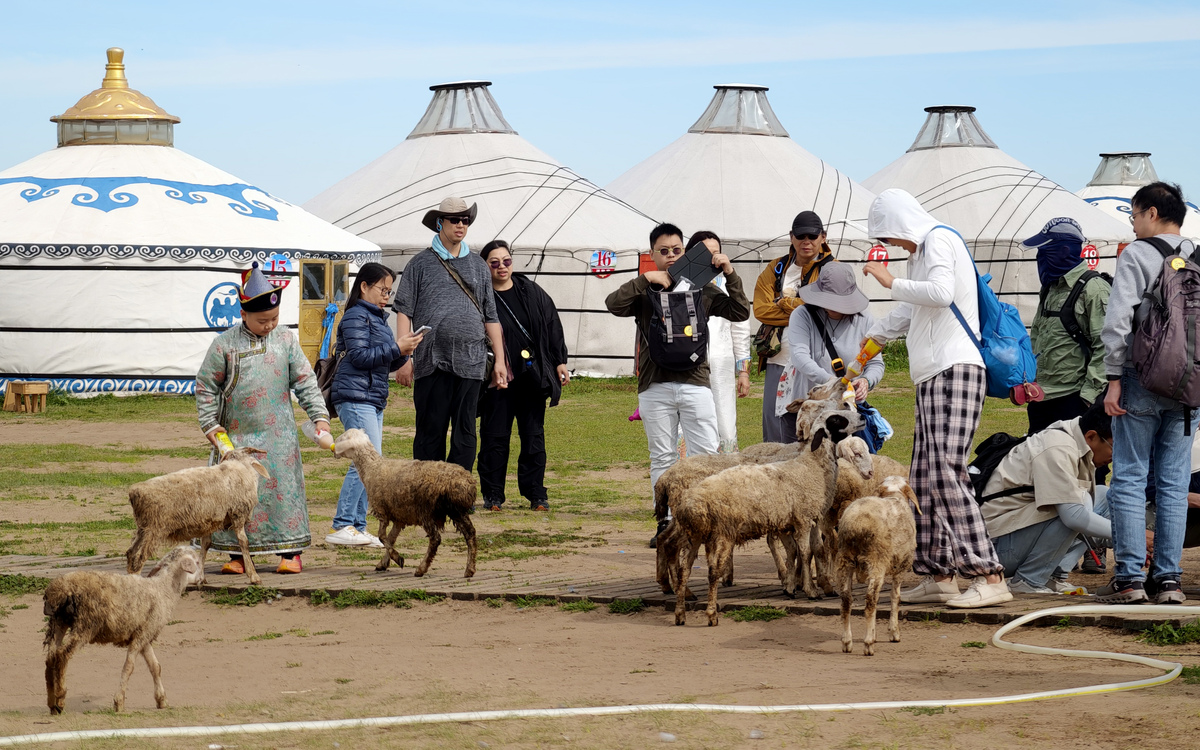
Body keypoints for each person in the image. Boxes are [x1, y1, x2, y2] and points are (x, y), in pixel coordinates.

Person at [862, 188, 1012, 609]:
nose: (891, 247)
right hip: (932, 373)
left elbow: (942, 293)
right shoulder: (920, 252)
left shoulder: (940, 239)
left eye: (890, 237)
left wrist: (892, 282)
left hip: (956, 367)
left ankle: (988, 573)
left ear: (902, 223)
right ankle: (938, 573)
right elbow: (916, 309)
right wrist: (877, 335)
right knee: (924, 475)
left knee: (946, 468)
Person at [605, 223, 751, 546]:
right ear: (652, 255)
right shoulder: (645, 290)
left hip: (696, 383)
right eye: (663, 251)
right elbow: (612, 304)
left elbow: (740, 310)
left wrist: (729, 272)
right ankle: (666, 521)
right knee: (662, 457)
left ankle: (707, 519)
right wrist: (644, 280)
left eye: (676, 250)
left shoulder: (703, 288)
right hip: (654, 385)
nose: (671, 257)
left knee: (704, 455)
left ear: (685, 252)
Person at [1099, 181, 1198, 605]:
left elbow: (1119, 320)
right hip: (1189, 385)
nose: (1134, 223)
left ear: (1152, 213)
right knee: (1175, 482)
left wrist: (1113, 376)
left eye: (1134, 215)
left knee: (1130, 476)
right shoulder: (1197, 255)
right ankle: (1169, 581)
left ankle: (1129, 579)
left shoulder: (1136, 254)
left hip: (1142, 377)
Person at [195, 262, 328, 574]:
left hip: (279, 437)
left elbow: (306, 381)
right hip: (236, 438)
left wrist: (319, 416)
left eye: (275, 318)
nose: (270, 325)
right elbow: (205, 386)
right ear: (243, 314)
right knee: (234, 496)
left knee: (283, 493)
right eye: (262, 320)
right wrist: (211, 424)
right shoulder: (224, 345)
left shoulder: (285, 341)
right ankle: (238, 556)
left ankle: (290, 552)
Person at [393, 196, 508, 473]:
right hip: (431, 359)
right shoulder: (419, 264)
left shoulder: (479, 265)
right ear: (439, 223)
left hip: (471, 360)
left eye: (465, 220)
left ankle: (458, 495)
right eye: (455, 220)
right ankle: (428, 494)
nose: (461, 225)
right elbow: (403, 310)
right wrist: (403, 357)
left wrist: (501, 362)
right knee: (430, 431)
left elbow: (491, 316)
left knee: (466, 432)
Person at [325, 262, 425, 547]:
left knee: (370, 461)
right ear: (364, 286)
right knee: (366, 460)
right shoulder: (356, 316)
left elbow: (381, 360)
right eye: (382, 289)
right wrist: (396, 348)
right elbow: (358, 357)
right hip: (356, 396)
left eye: (389, 291)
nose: (386, 296)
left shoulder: (377, 318)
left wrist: (404, 353)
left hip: (371, 395)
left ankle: (357, 526)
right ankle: (342, 523)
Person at [980, 403, 1114, 594]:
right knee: (1071, 512)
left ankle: (1053, 574)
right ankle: (1028, 581)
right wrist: (1131, 537)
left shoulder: (1075, 438)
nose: (1115, 456)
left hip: (1016, 535)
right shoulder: (1057, 447)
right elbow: (1074, 517)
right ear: (1091, 436)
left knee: (1102, 495)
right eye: (1113, 446)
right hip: (996, 551)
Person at [477, 240, 570, 512]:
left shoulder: (530, 291)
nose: (502, 267)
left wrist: (559, 361)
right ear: (485, 266)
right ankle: (493, 494)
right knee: (494, 437)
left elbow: (551, 325)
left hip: (531, 378)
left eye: (506, 261)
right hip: (498, 380)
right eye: (494, 262)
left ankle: (536, 494)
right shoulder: (481, 296)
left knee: (533, 437)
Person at [1021, 218, 1109, 434]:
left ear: (1063, 251)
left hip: (1073, 399)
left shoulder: (1094, 290)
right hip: (1041, 396)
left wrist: (1087, 399)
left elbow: (1107, 347)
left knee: (1071, 466)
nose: (1039, 257)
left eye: (1044, 251)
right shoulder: (1050, 287)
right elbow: (1038, 335)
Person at [753, 211, 835, 443]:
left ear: (823, 237)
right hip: (779, 358)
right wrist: (804, 308)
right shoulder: (776, 268)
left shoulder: (832, 269)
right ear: (791, 237)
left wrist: (786, 303)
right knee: (776, 423)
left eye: (812, 236)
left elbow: (827, 307)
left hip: (818, 362)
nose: (806, 241)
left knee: (818, 423)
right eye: (801, 236)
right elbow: (760, 309)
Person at [786, 261, 883, 410]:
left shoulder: (864, 319)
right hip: (809, 406)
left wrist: (866, 381)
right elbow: (800, 357)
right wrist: (833, 383)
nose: (834, 306)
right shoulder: (802, 315)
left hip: (848, 410)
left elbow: (875, 363)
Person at [687, 231, 752, 453]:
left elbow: (741, 327)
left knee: (723, 417)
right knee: (688, 419)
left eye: (717, 252)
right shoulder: (678, 283)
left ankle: (725, 474)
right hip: (685, 364)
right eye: (707, 253)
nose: (714, 258)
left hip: (721, 363)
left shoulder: (727, 283)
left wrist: (743, 371)